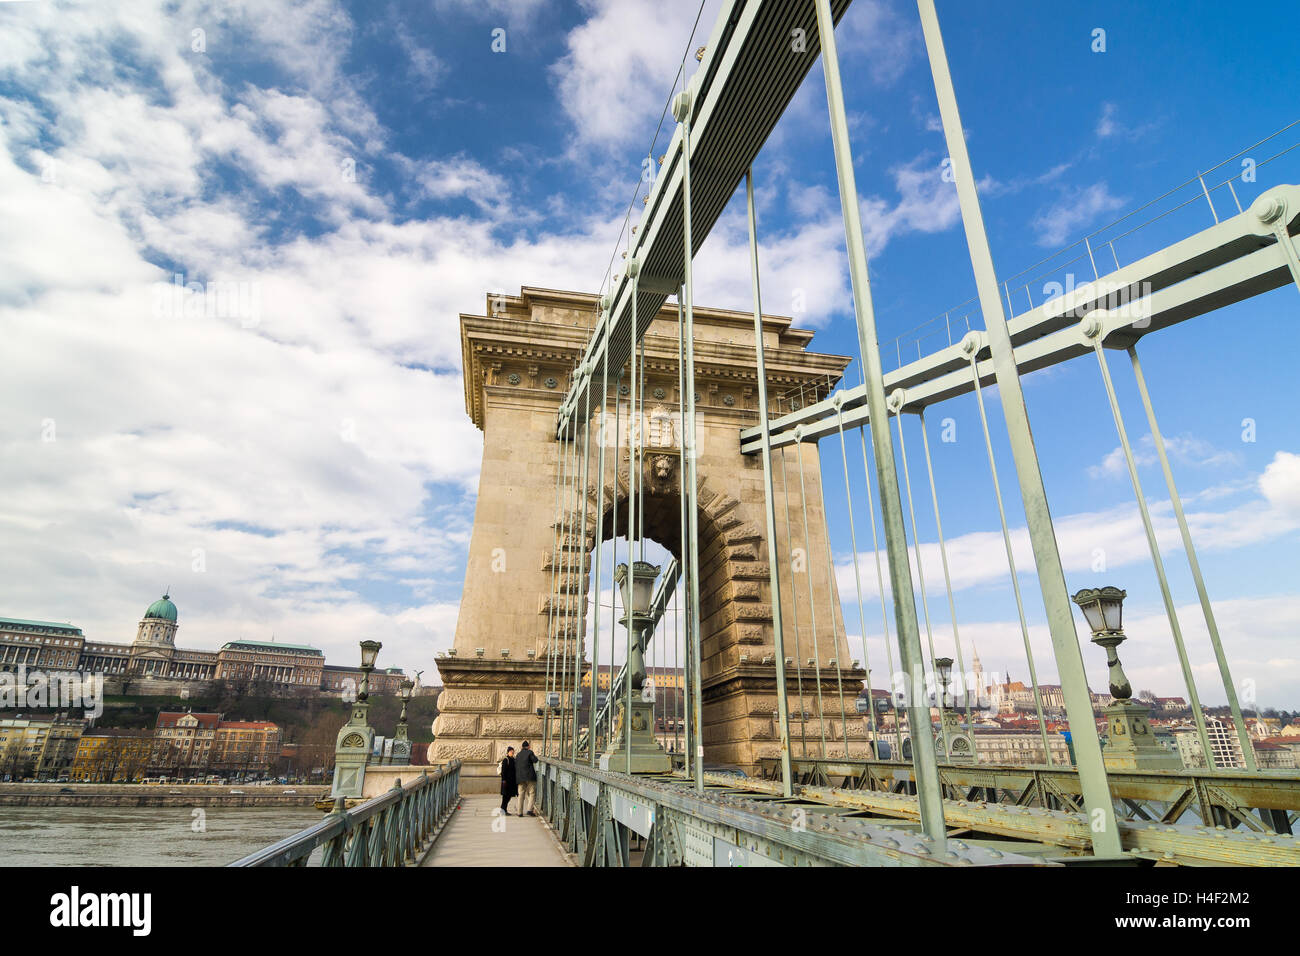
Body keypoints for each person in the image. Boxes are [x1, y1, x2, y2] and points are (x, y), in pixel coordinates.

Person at [515, 740, 538, 816]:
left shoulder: (518, 755)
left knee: (521, 794)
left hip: (520, 778)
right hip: (529, 777)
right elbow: (535, 760)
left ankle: (519, 812)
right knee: (532, 793)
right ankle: (529, 810)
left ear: (522, 747)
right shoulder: (529, 752)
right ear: (528, 746)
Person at [499, 746, 517, 815]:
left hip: (512, 782)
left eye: (513, 752)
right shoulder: (506, 760)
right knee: (505, 796)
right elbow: (503, 771)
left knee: (508, 796)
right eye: (511, 752)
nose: (512, 753)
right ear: (508, 752)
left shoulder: (513, 759)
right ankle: (503, 809)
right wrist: (504, 780)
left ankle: (504, 809)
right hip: (506, 781)